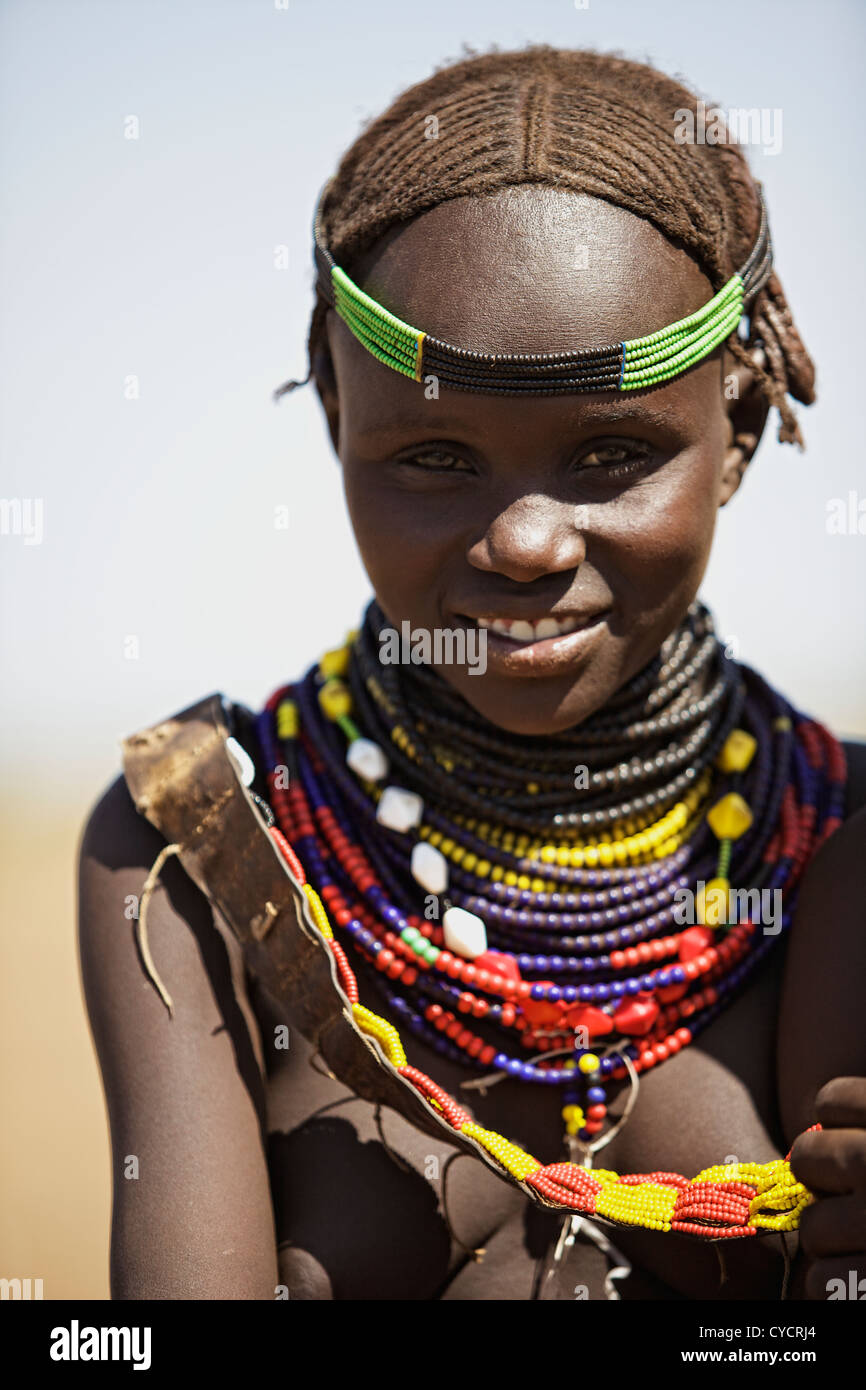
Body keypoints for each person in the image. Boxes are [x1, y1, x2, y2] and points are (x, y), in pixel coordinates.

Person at [78, 44, 866, 1301]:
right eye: (436, 455)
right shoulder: (198, 845)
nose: (525, 544)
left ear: (740, 434)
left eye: (611, 451)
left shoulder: (831, 847)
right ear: (338, 418)